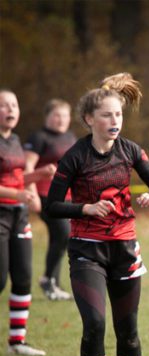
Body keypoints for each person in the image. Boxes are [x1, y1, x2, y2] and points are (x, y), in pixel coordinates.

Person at [46, 73, 149, 356]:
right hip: (87, 251)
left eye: (118, 115)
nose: (114, 121)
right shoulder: (75, 156)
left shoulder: (131, 150)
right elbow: (52, 205)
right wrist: (85, 209)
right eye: (106, 115)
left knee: (128, 330)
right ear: (89, 120)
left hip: (125, 249)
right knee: (95, 326)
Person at [0, 89, 44, 356]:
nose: (11, 109)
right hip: (1, 215)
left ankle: (17, 341)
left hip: (19, 216)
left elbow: (16, 179)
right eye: (4, 105)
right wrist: (16, 193)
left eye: (14, 104)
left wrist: (39, 175)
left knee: (24, 278)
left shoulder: (15, 140)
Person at [24, 99, 78, 300]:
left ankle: (52, 283)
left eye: (65, 115)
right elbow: (27, 167)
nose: (61, 120)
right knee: (63, 233)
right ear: (47, 116)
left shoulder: (70, 137)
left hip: (68, 197)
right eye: (56, 115)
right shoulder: (38, 138)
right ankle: (48, 279)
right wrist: (31, 194)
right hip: (44, 195)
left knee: (62, 237)